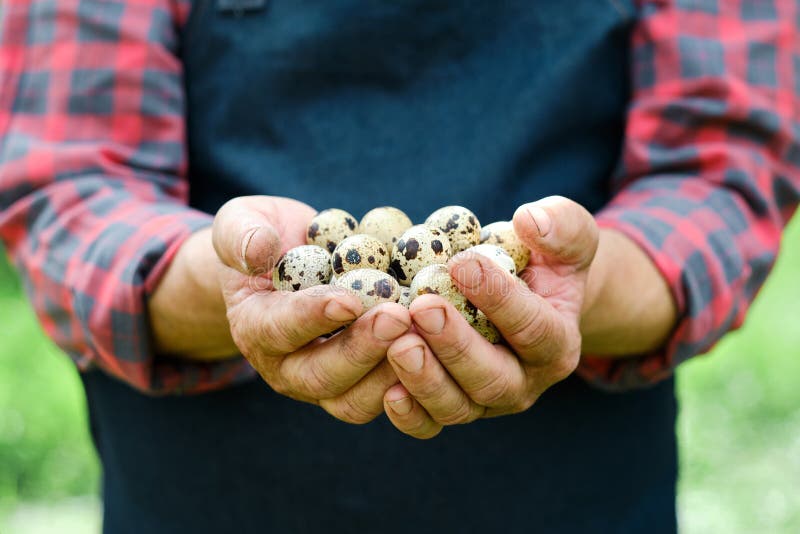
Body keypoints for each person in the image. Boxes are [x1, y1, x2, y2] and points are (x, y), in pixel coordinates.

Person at [1, 0, 798, 532]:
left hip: (576, 494)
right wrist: (230, 284)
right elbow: (71, 186)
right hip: (205, 495)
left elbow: (722, 165)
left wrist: (584, 287)